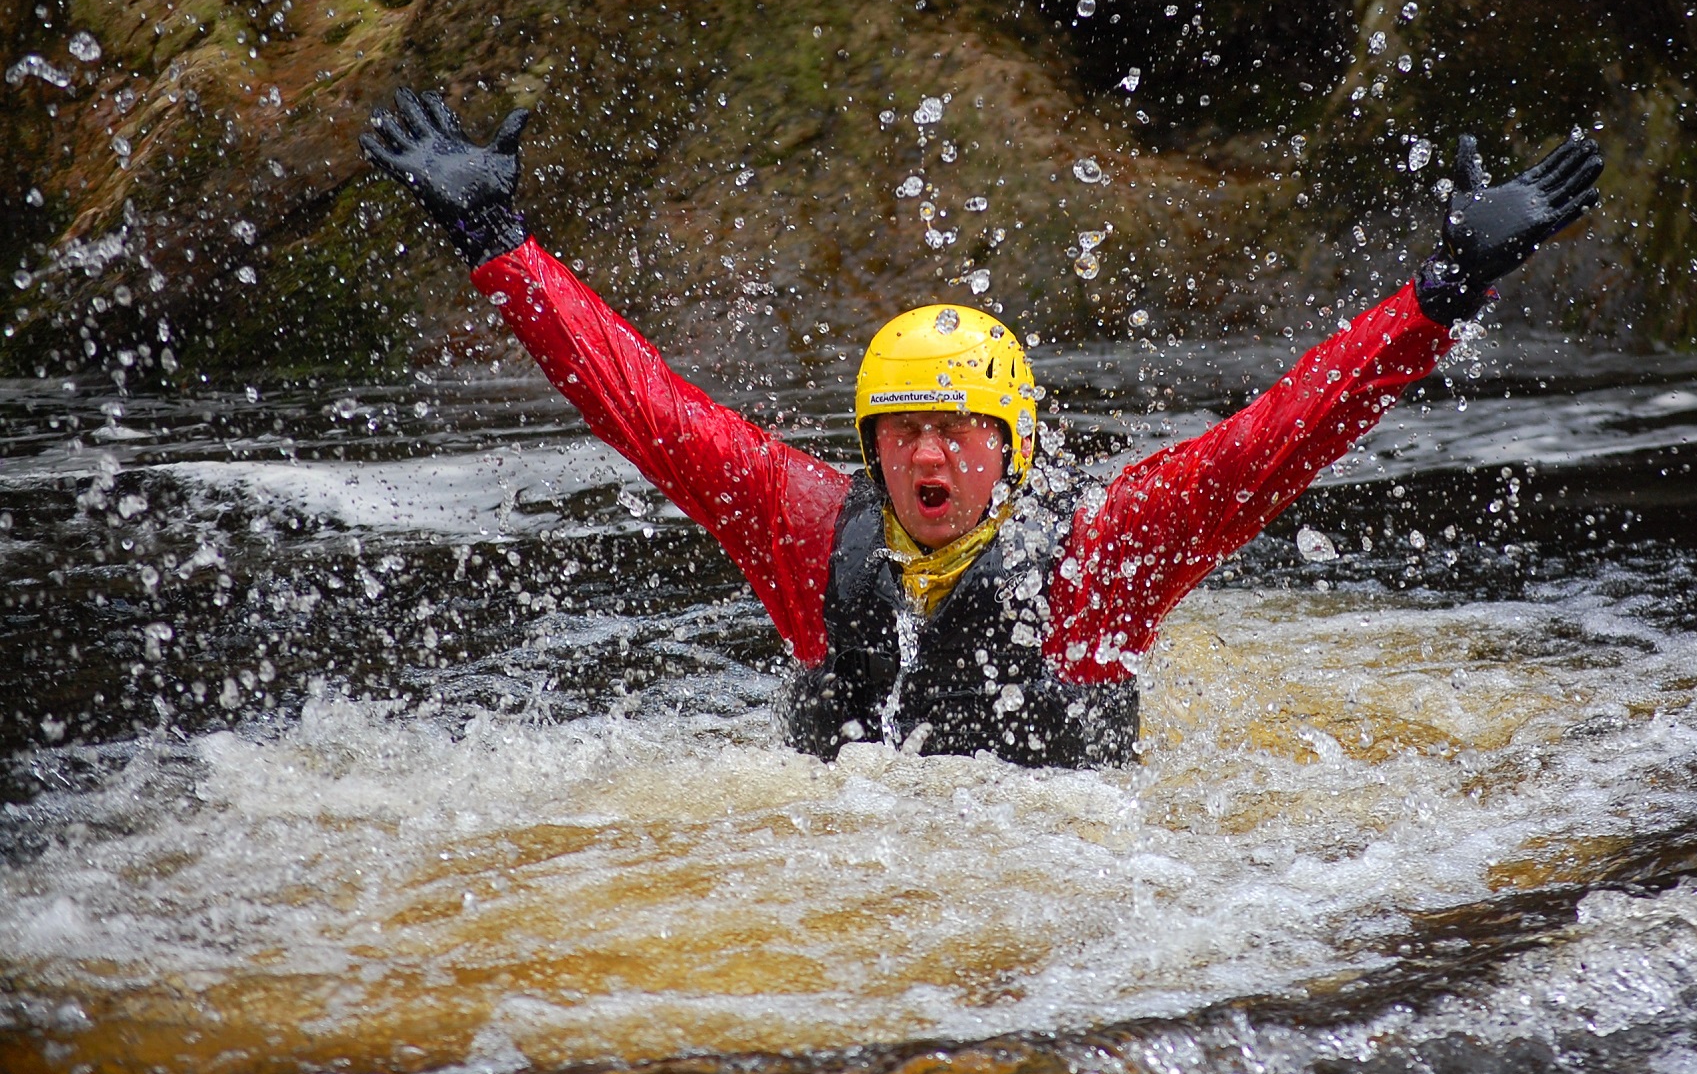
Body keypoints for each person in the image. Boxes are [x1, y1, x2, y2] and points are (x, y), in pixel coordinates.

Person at [361, 89, 1601, 768]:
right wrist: (498, 248)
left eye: (959, 432)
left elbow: (1277, 437)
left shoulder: (1107, 552)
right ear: (868, 448)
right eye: (900, 434)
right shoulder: (803, 531)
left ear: (1012, 447)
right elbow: (645, 409)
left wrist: (1438, 300)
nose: (929, 458)